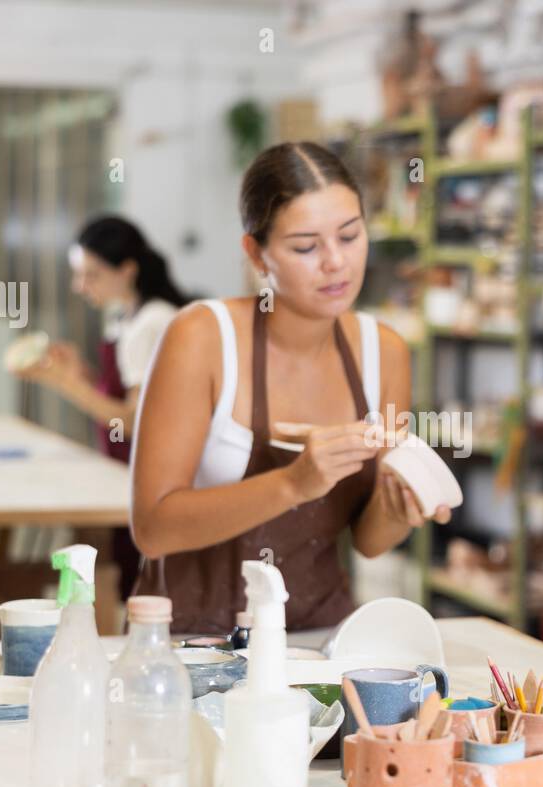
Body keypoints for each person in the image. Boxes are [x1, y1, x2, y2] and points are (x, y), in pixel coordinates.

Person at [131, 141, 450, 633]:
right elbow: (153, 529)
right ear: (256, 254)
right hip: (189, 646)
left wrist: (399, 507)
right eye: (305, 246)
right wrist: (294, 483)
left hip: (319, 641)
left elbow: (368, 541)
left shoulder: (383, 352)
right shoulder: (201, 337)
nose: (336, 263)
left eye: (350, 235)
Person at [12, 215, 187, 600]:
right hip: (125, 474)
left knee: (140, 585)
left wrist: (61, 381)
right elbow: (122, 396)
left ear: (127, 271)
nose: (80, 286)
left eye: (91, 275)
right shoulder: (127, 316)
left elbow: (131, 420)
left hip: (149, 476)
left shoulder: (151, 323)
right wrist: (82, 373)